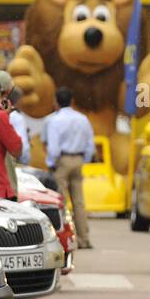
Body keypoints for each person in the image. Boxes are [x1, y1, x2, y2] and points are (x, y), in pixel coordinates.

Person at [45, 87, 96, 249]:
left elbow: (53, 148)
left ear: (56, 102)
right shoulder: (83, 119)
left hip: (63, 160)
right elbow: (90, 145)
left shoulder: (55, 120)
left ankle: (64, 239)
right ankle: (84, 238)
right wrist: (84, 159)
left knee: (61, 201)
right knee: (79, 202)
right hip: (78, 159)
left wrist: (52, 163)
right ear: (72, 101)